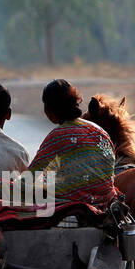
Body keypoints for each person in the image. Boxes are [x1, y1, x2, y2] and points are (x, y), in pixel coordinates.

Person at [27, 79, 117, 207]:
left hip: (74, 205)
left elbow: (29, 178)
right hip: (106, 202)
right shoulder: (100, 131)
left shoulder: (57, 136)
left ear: (48, 111)